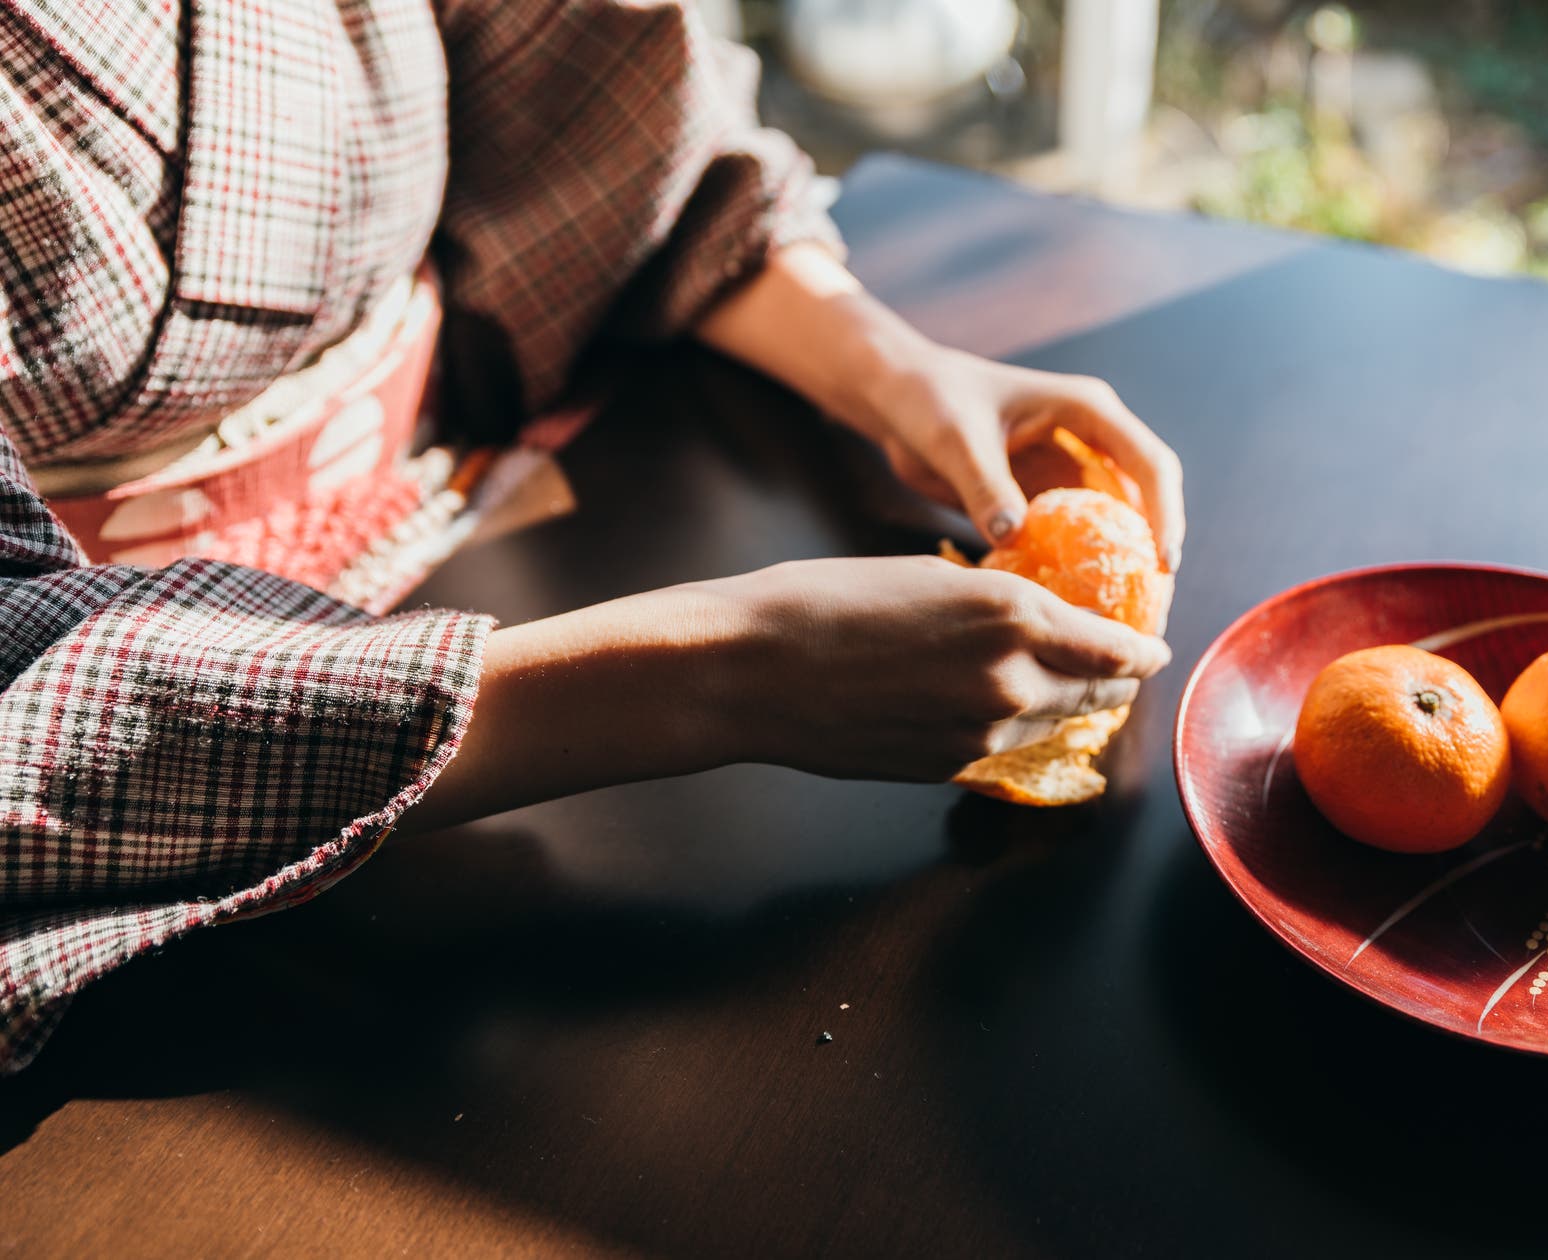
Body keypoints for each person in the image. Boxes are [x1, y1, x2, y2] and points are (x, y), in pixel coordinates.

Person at [0, 0, 1183, 1072]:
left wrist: (893, 370)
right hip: (185, 730)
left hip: (479, 483)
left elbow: (584, 85)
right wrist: (732, 673)